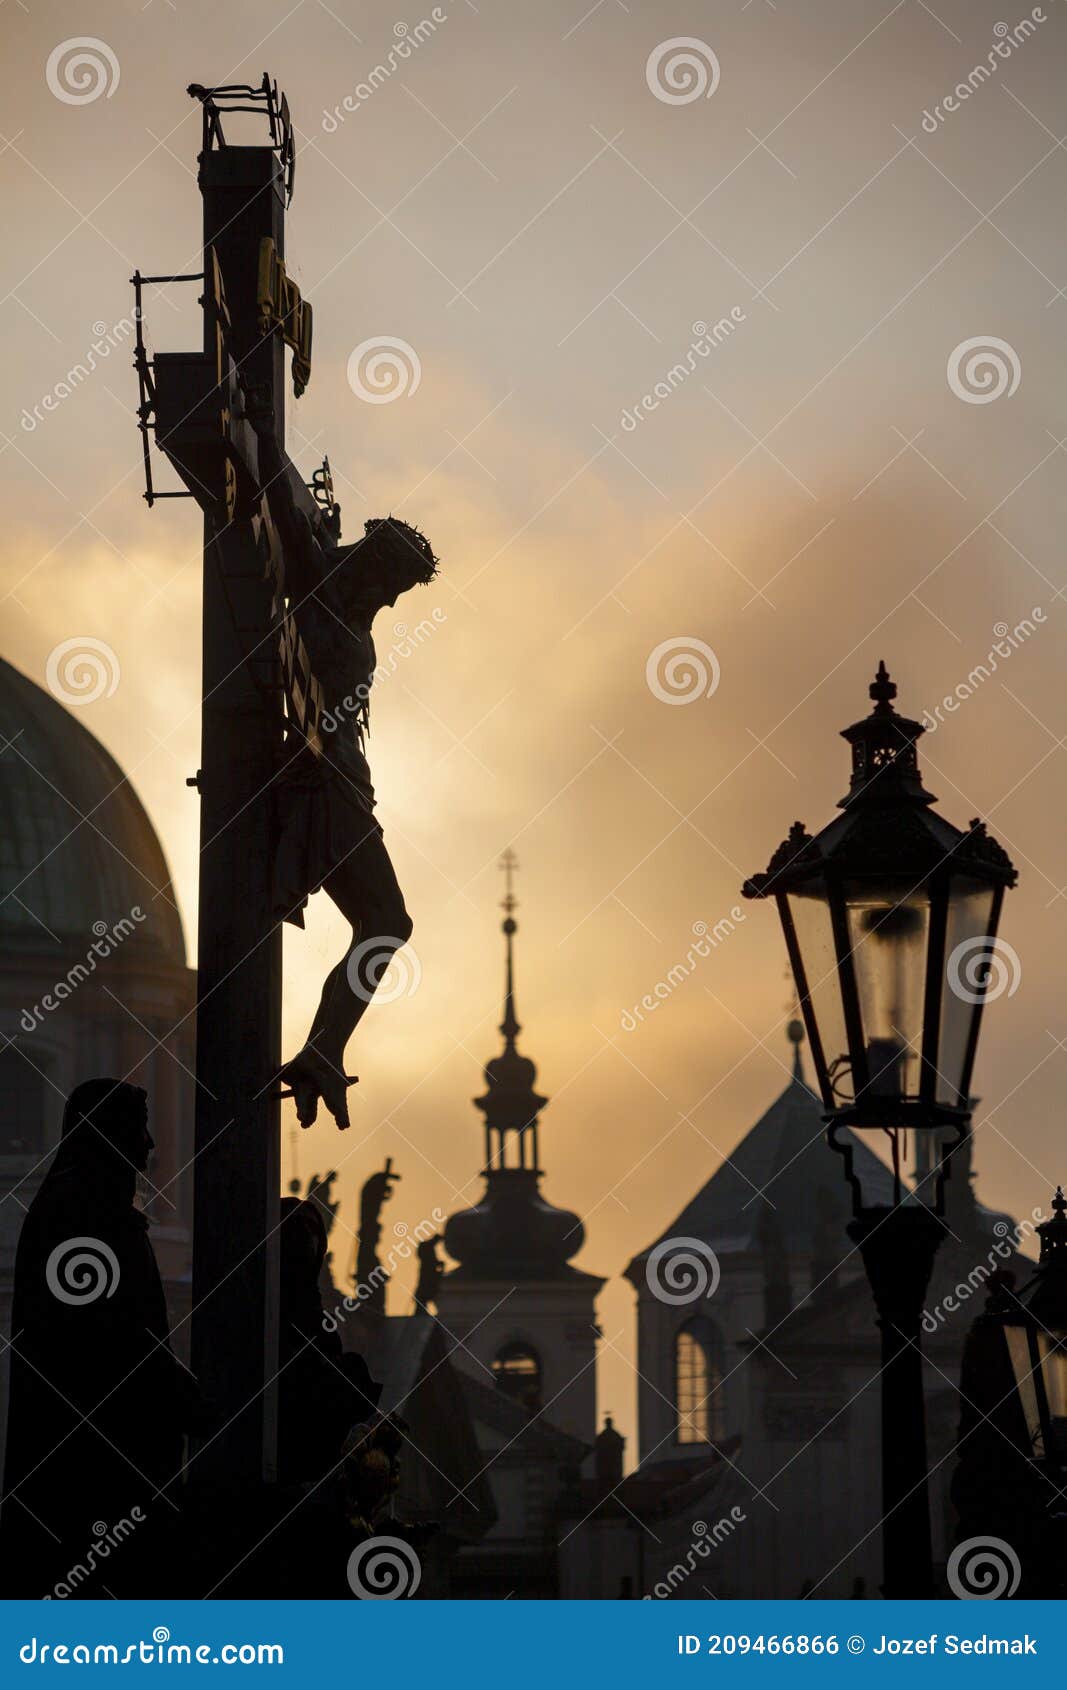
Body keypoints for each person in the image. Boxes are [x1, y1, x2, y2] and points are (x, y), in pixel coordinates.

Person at [252, 410, 439, 1130]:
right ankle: (323, 1049)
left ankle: (324, 1048)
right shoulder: (314, 579)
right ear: (370, 563)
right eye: (392, 585)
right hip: (325, 785)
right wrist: (260, 407)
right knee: (386, 920)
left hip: (344, 785)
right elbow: (272, 480)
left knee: (386, 922)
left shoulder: (336, 588)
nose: (390, 602)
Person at [1, 1080, 200, 1596]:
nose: (152, 1143)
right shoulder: (83, 1212)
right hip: (96, 1466)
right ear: (109, 1133)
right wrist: (178, 1392)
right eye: (139, 1127)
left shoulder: (95, 1209)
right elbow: (110, 1339)